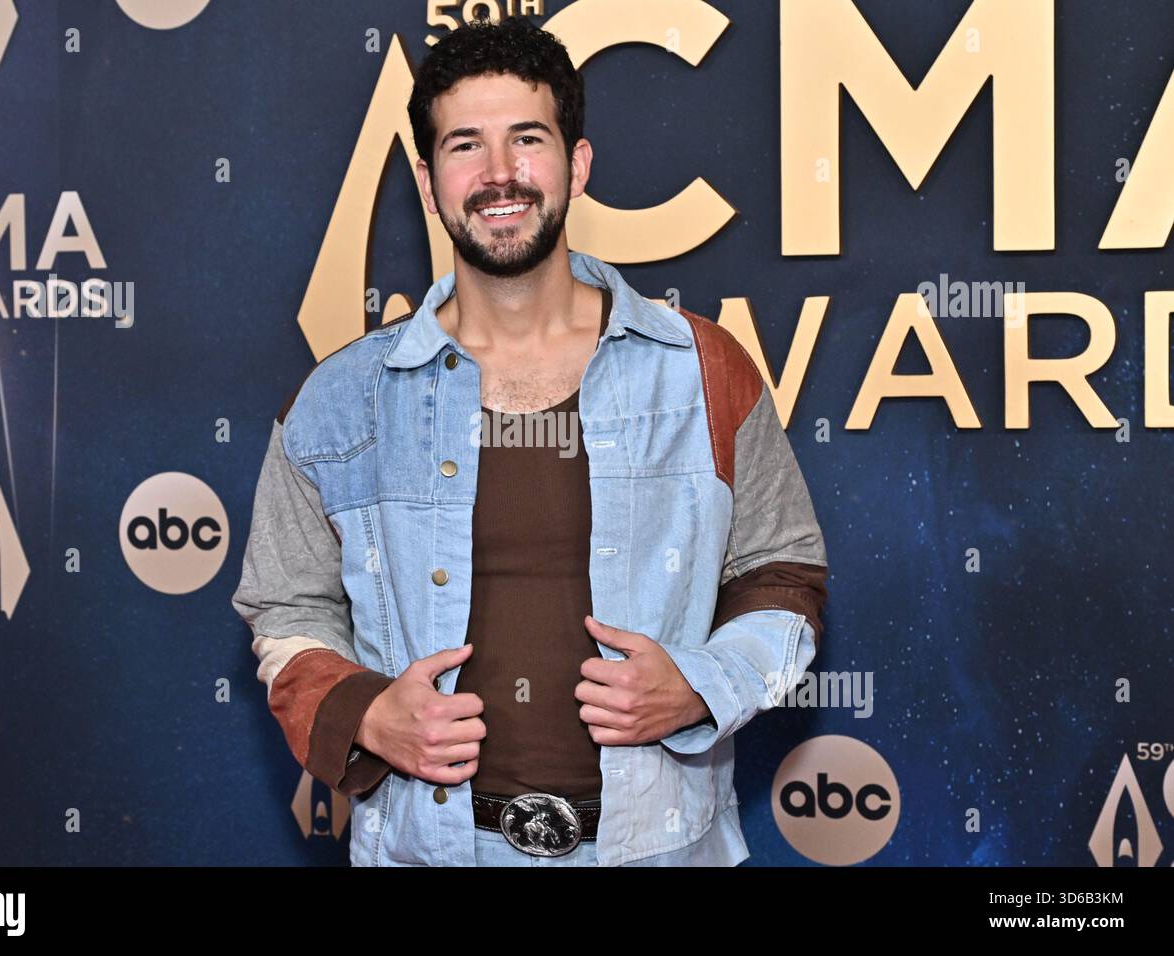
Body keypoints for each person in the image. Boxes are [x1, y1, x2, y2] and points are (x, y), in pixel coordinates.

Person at [232, 15, 829, 867]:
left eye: (528, 139)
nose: (500, 174)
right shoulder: (341, 400)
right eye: (465, 145)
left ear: (578, 164)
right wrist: (363, 712)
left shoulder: (704, 371)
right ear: (428, 179)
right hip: (427, 851)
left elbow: (784, 574)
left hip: (662, 850)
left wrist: (700, 687)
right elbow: (285, 606)